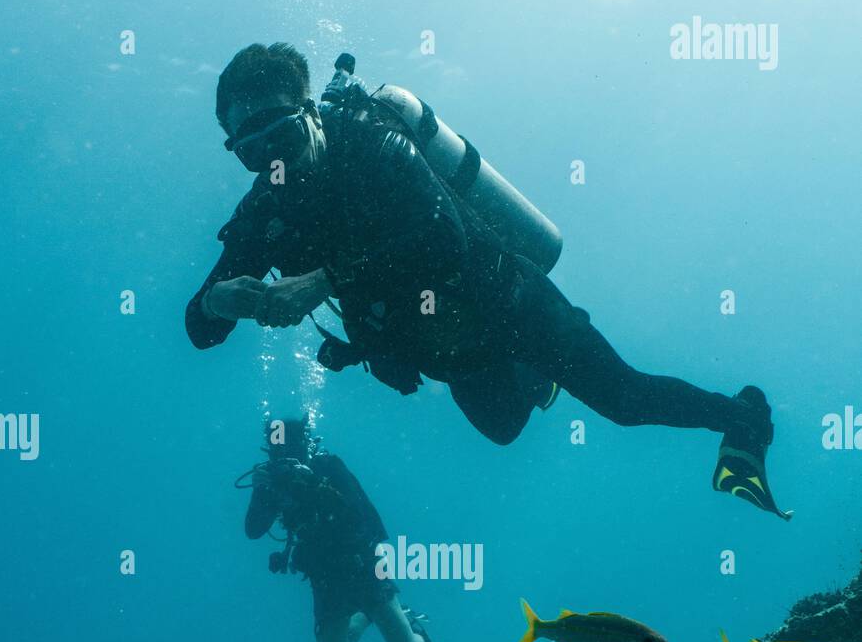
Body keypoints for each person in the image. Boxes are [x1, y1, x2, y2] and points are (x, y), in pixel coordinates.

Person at [186, 41, 788, 520]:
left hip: (507, 299)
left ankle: (743, 418)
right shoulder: (264, 212)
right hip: (440, 344)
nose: (274, 163)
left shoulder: (373, 145)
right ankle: (533, 378)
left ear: (311, 113)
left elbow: (444, 237)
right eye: (250, 150)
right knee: (503, 430)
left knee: (624, 401)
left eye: (283, 137)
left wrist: (324, 279)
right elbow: (198, 329)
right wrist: (218, 298)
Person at [236, 416, 471, 642]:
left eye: (290, 444)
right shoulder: (270, 481)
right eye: (278, 447)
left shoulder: (328, 467)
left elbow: (368, 520)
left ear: (305, 444)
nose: (285, 454)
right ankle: (374, 616)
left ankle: (420, 639)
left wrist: (317, 487)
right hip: (323, 577)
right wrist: (261, 490)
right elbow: (253, 530)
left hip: (362, 566)